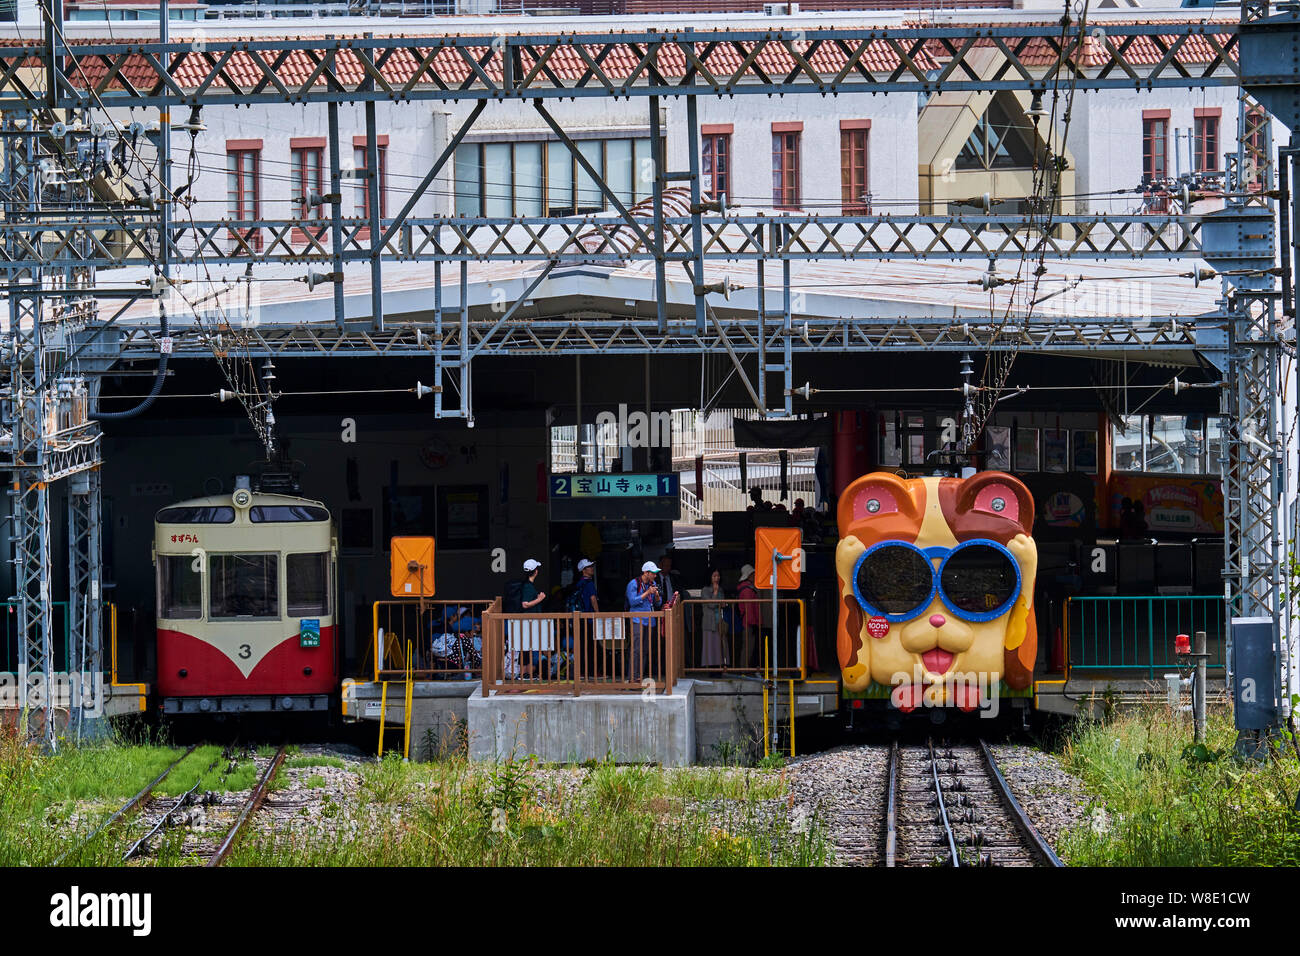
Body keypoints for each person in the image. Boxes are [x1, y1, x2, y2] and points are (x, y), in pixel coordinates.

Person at [626, 560, 663, 681]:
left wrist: (656, 595)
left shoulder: (653, 583)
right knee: (636, 648)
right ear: (646, 573)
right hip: (637, 619)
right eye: (653, 573)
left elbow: (658, 603)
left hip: (650, 620)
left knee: (645, 649)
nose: (655, 575)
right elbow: (632, 601)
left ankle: (639, 676)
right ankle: (632, 677)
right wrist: (647, 592)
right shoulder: (634, 583)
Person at [518, 558, 547, 677]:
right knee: (527, 647)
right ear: (535, 571)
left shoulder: (527, 585)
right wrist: (539, 599)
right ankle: (524, 673)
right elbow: (525, 604)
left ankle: (526, 673)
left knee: (528, 647)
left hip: (528, 621)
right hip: (528, 621)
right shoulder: (528, 587)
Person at [735, 564, 762, 672]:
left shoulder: (746, 588)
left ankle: (745, 669)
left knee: (747, 646)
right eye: (753, 574)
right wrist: (754, 623)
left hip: (747, 622)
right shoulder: (747, 590)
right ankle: (744, 670)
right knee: (748, 647)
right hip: (748, 623)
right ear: (749, 575)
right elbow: (749, 608)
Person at [699, 568, 727, 669]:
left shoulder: (721, 589)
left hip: (719, 620)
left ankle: (720, 667)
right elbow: (711, 604)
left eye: (718, 576)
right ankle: (711, 669)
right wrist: (715, 592)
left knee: (720, 646)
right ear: (709, 577)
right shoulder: (705, 590)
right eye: (714, 576)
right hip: (709, 622)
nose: (717, 578)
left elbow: (723, 603)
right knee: (711, 646)